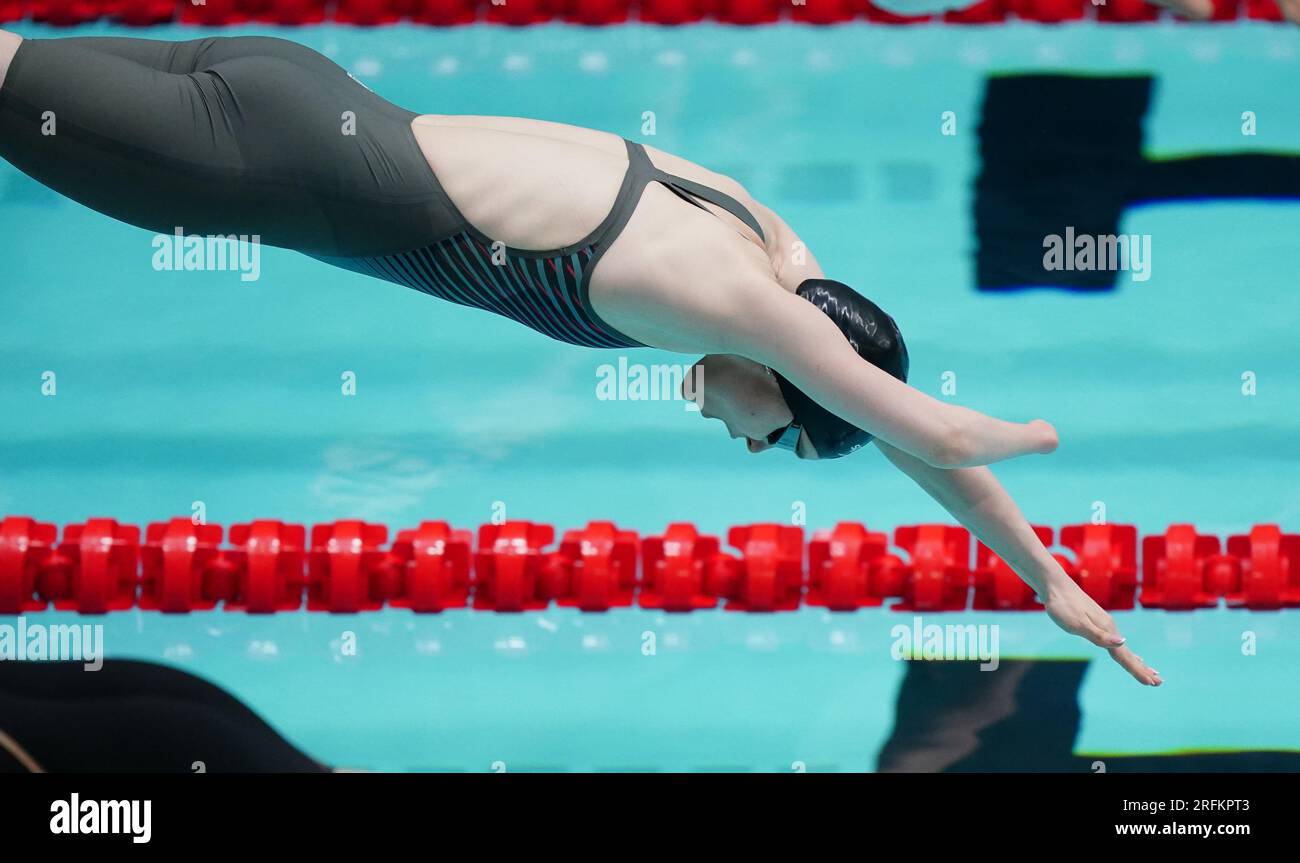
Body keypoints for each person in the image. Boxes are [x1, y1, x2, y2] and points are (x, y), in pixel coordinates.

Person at [0, 30, 1159, 686]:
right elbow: (933, 431)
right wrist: (1025, 435)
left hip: (293, 87)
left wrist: (1043, 571)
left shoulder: (763, 239)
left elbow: (895, 435)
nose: (746, 444)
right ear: (790, 372)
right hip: (242, 163)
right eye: (778, 437)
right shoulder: (728, 299)